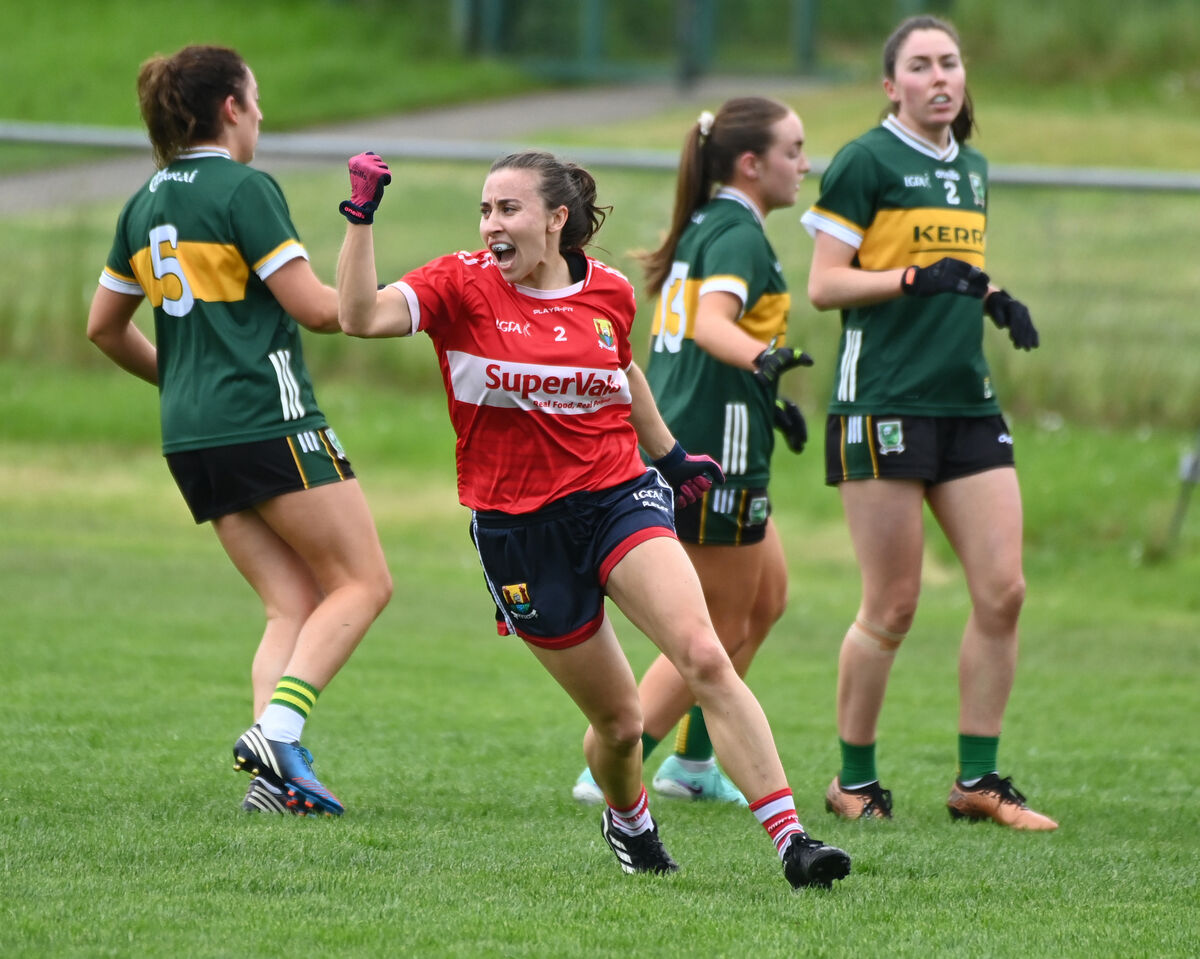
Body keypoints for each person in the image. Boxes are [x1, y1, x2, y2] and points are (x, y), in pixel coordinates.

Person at [336, 147, 851, 886]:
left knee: (704, 654)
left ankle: (793, 842)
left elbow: (621, 368)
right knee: (619, 725)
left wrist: (670, 458)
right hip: (519, 532)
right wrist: (360, 216)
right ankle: (629, 816)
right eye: (485, 210)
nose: (491, 224)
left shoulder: (608, 290)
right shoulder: (459, 284)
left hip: (617, 494)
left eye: (507, 208)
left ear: (556, 218)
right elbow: (357, 317)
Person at [86, 44, 392, 817]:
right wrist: (380, 261)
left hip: (191, 435)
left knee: (291, 602)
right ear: (231, 107)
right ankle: (277, 735)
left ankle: (273, 782)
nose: (261, 114)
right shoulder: (245, 189)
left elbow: (103, 328)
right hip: (268, 418)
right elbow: (319, 311)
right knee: (363, 583)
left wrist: (185, 382)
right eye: (255, 100)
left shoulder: (143, 202)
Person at [800, 15, 1055, 830]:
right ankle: (853, 780)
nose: (939, 76)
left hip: (966, 400)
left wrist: (992, 294)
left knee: (1004, 591)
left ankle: (978, 779)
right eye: (921, 65)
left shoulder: (971, 167)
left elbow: (953, 268)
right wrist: (914, 277)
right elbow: (826, 286)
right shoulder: (865, 161)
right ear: (892, 85)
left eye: (950, 62)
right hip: (882, 400)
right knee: (893, 604)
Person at [570, 97, 816, 807]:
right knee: (719, 625)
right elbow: (712, 325)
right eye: (794, 150)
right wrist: (763, 360)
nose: (804, 165)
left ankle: (694, 764)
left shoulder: (710, 223)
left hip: (703, 428)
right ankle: (609, 764)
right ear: (751, 164)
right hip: (714, 448)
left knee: (765, 601)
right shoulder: (737, 232)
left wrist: (769, 397)